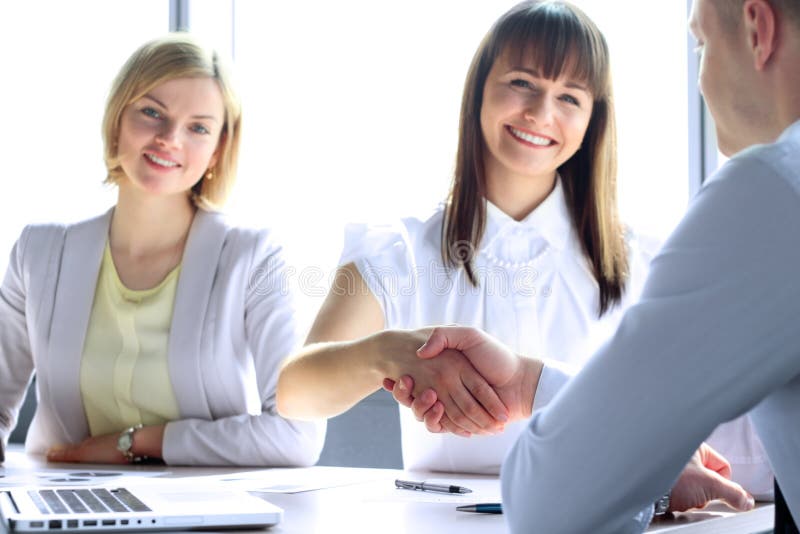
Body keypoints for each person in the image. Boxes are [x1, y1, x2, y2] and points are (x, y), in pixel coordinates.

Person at [277, 0, 756, 504]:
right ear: (479, 89)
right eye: (523, 83)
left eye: (570, 97)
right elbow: (294, 391)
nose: (541, 114)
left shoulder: (643, 260)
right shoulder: (400, 249)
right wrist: (386, 354)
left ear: (594, 118)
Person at [401, 0, 800, 530]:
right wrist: (530, 384)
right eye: (522, 83)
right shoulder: (408, 246)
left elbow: (552, 502)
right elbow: (762, 446)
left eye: (700, 45)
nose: (701, 81)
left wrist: (545, 393)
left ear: (758, 28)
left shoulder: (771, 194)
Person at [0, 34, 325, 466]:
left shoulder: (252, 257)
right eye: (152, 112)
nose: (170, 138)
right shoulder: (39, 253)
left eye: (198, 128)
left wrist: (138, 442)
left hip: (205, 511)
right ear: (118, 119)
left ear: (217, 150)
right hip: (62, 501)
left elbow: (296, 437)